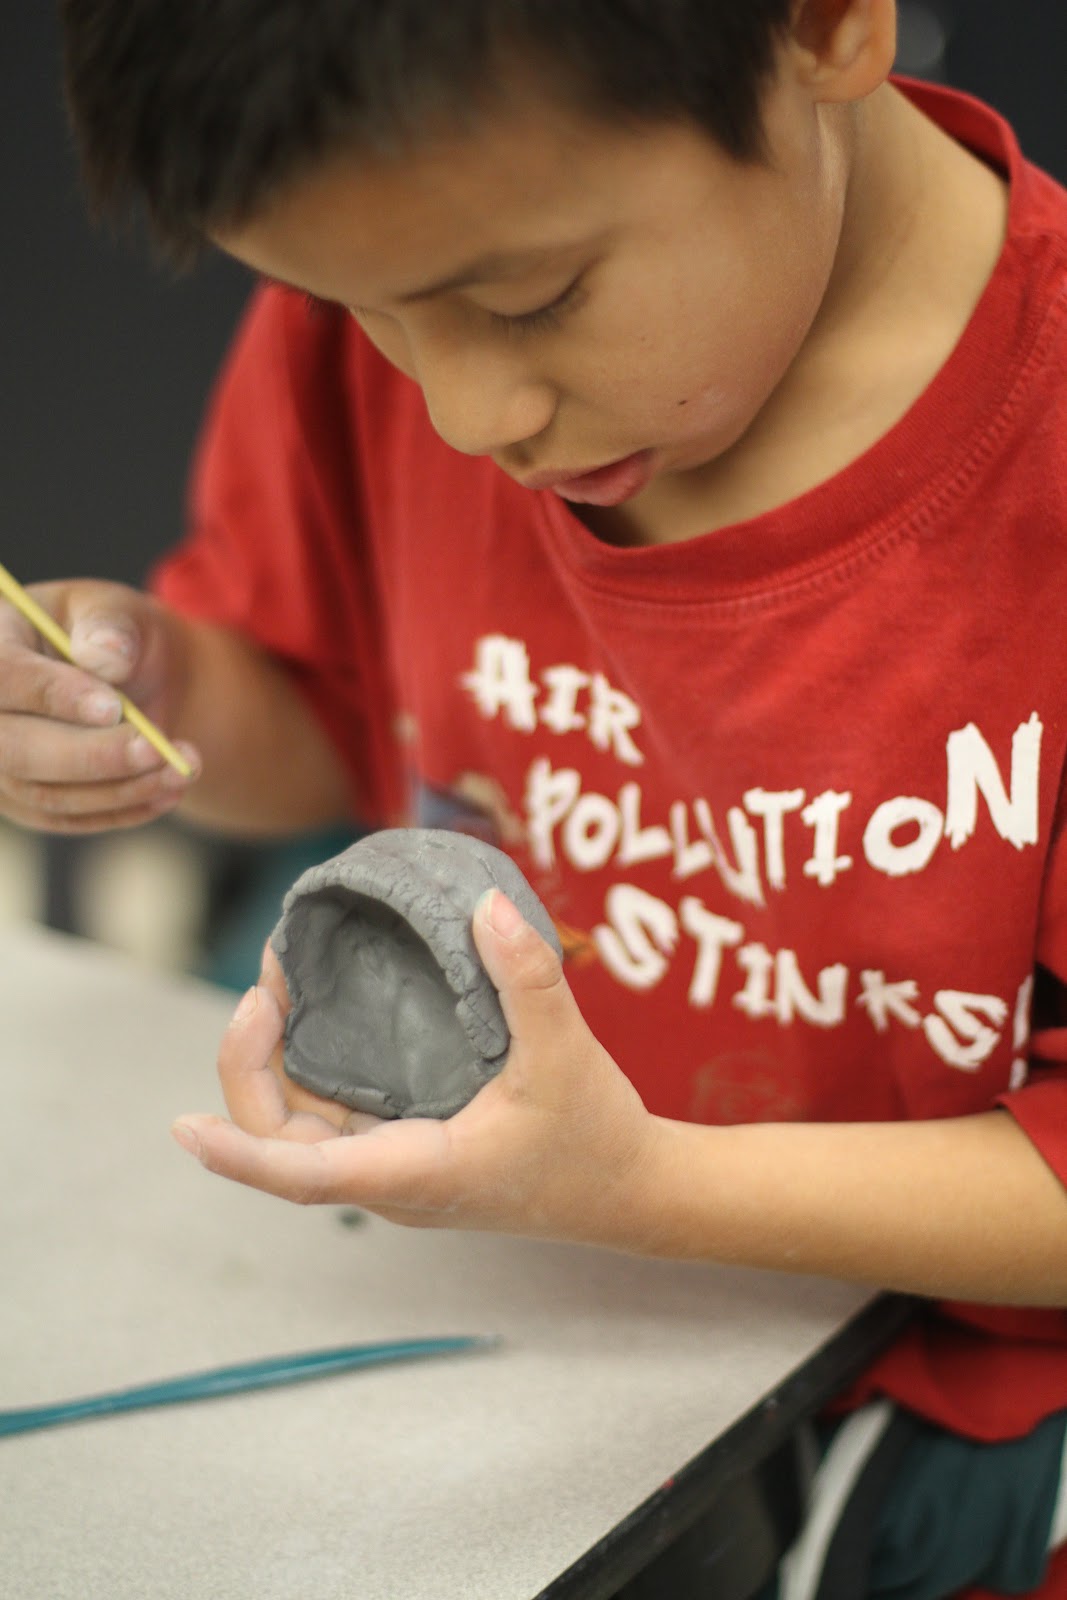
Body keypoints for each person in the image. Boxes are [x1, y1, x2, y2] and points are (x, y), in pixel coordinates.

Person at [7, 1, 1067, 1591]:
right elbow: (320, 703)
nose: (462, 415)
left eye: (536, 298)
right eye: (356, 308)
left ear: (828, 25)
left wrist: (643, 1187)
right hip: (542, 1322)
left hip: (961, 1408)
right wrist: (168, 701)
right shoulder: (411, 255)